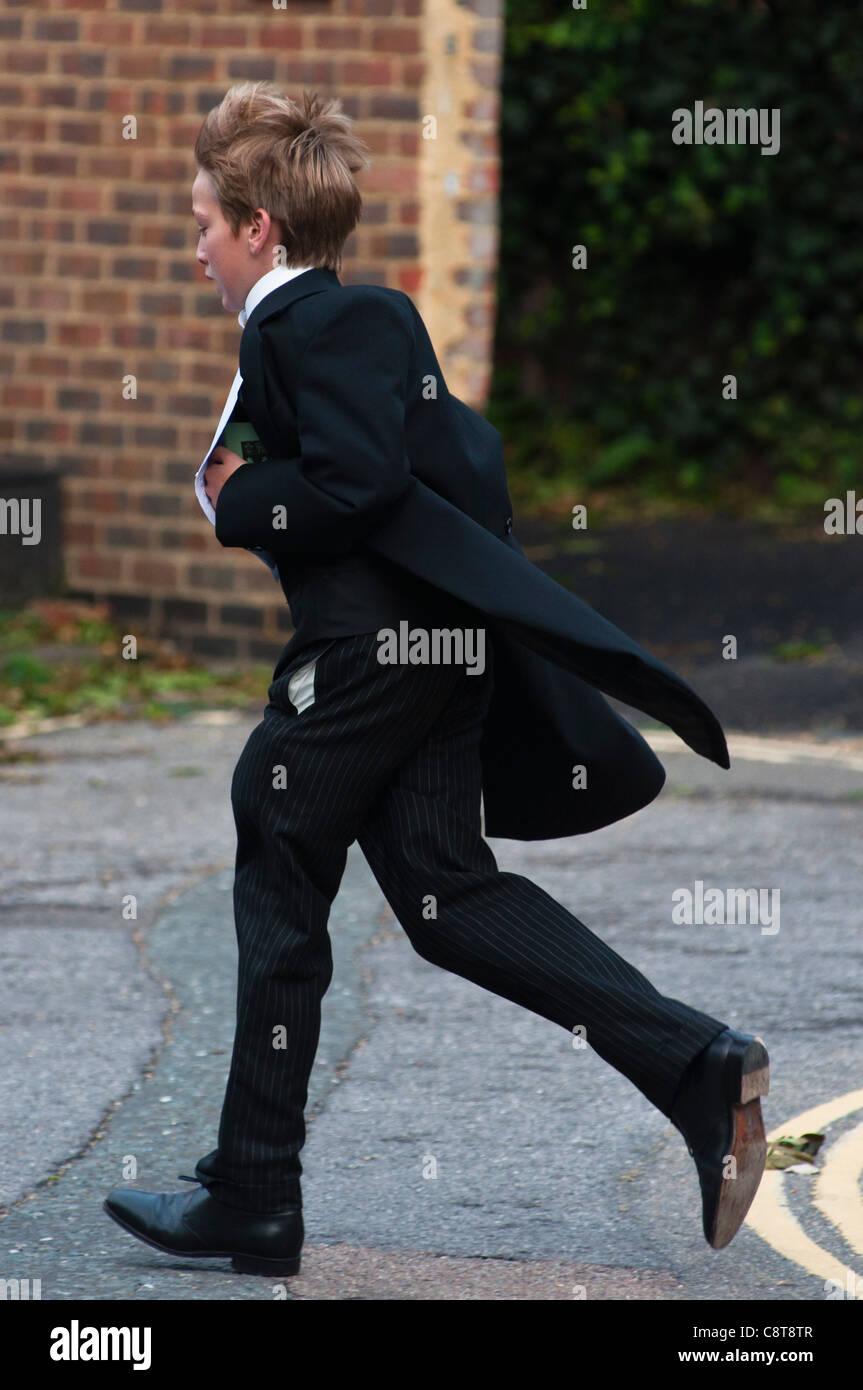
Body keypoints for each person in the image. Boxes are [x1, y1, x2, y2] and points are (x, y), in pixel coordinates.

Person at [103, 83, 769, 1279]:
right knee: (444, 896)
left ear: (258, 227)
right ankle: (693, 1062)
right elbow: (452, 461)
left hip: (366, 662)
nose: (192, 245)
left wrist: (234, 499)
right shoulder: (358, 326)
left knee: (276, 822)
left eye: (202, 219)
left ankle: (254, 1192)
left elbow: (354, 486)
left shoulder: (318, 322)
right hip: (425, 663)